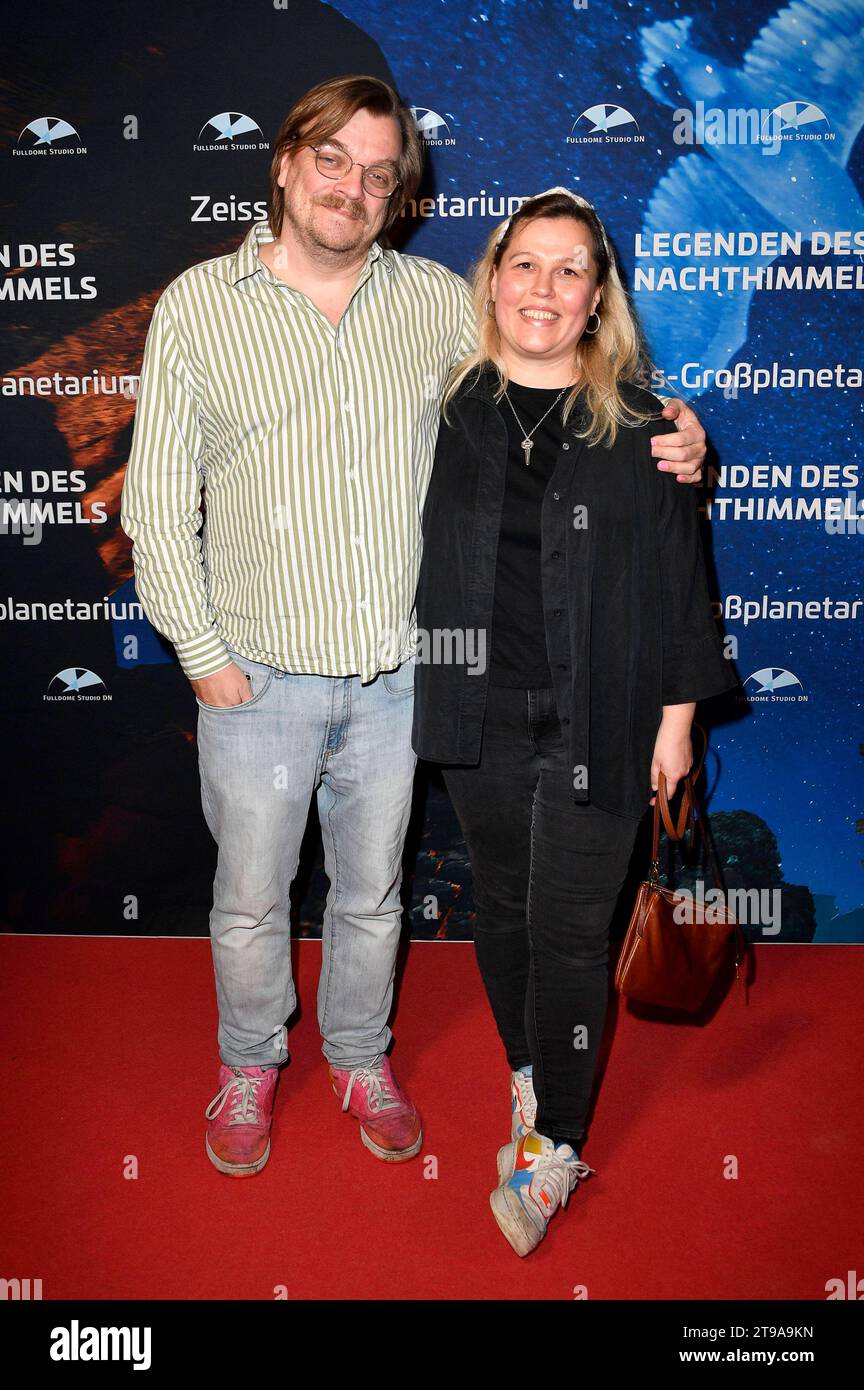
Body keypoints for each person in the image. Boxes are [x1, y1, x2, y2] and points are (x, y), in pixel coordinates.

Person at [120, 76, 709, 1180]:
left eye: (380, 174)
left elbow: (554, 362)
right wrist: (203, 661)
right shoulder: (201, 303)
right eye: (333, 160)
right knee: (249, 896)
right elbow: (155, 502)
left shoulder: (439, 300)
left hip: (407, 673)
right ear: (287, 165)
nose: (354, 186)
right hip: (255, 670)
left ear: (399, 198)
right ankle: (250, 1063)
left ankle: (357, 1055)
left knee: (375, 892)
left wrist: (671, 426)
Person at [411, 187, 739, 1254]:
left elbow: (686, 589)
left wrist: (678, 723)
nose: (544, 288)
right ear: (493, 279)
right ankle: (528, 1069)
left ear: (598, 297)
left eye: (569, 270)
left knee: (566, 930)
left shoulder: (646, 428)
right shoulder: (450, 405)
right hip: (478, 709)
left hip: (606, 717)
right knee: (500, 907)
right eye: (526, 264)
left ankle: (557, 1140)